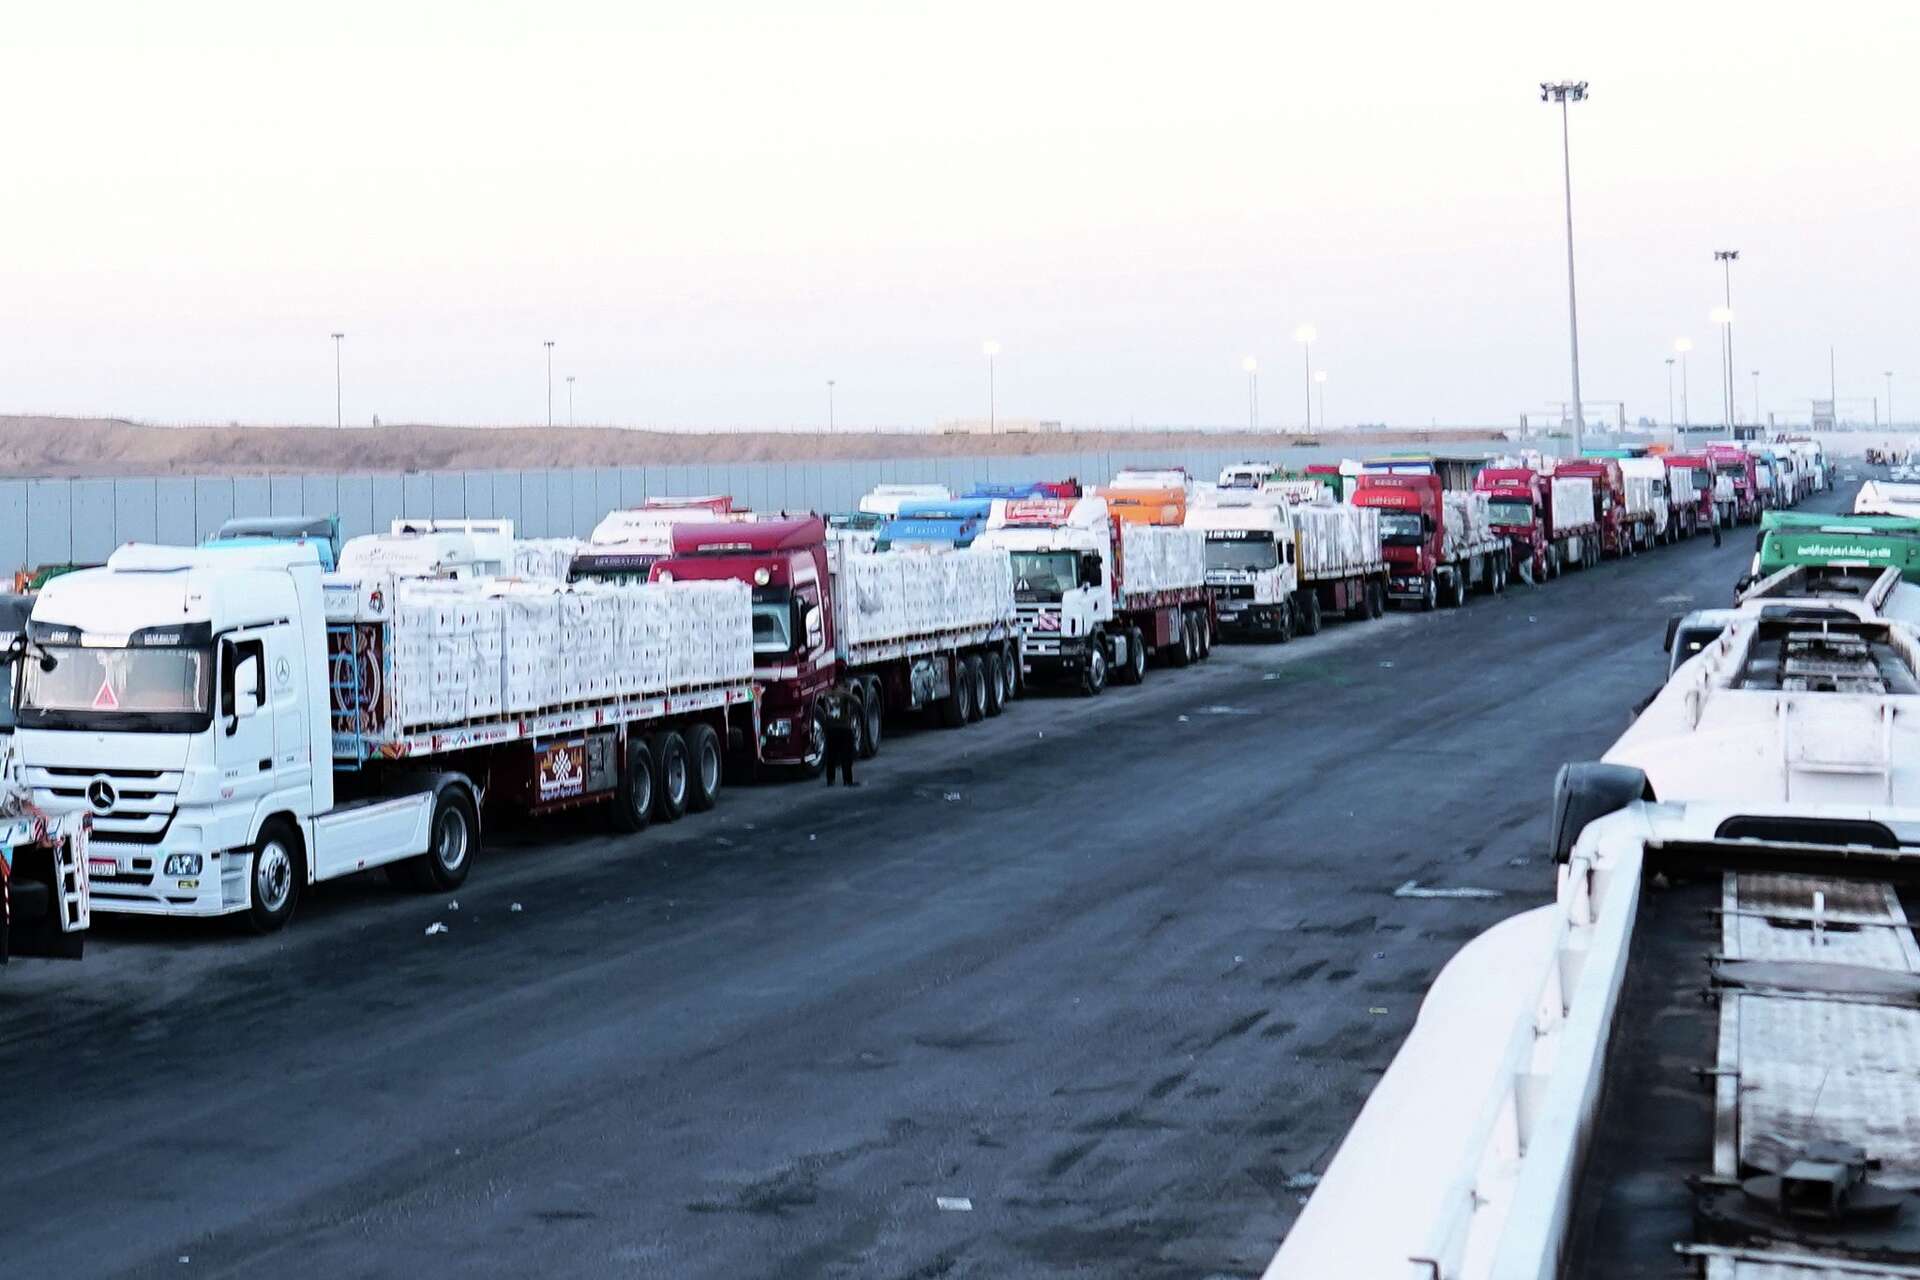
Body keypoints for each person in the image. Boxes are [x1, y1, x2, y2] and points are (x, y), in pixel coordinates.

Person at [819, 689, 858, 787]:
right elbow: (856, 701)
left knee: (831, 755)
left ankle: (830, 780)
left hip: (831, 727)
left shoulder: (826, 694)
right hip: (843, 727)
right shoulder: (844, 694)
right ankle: (847, 780)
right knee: (846, 755)